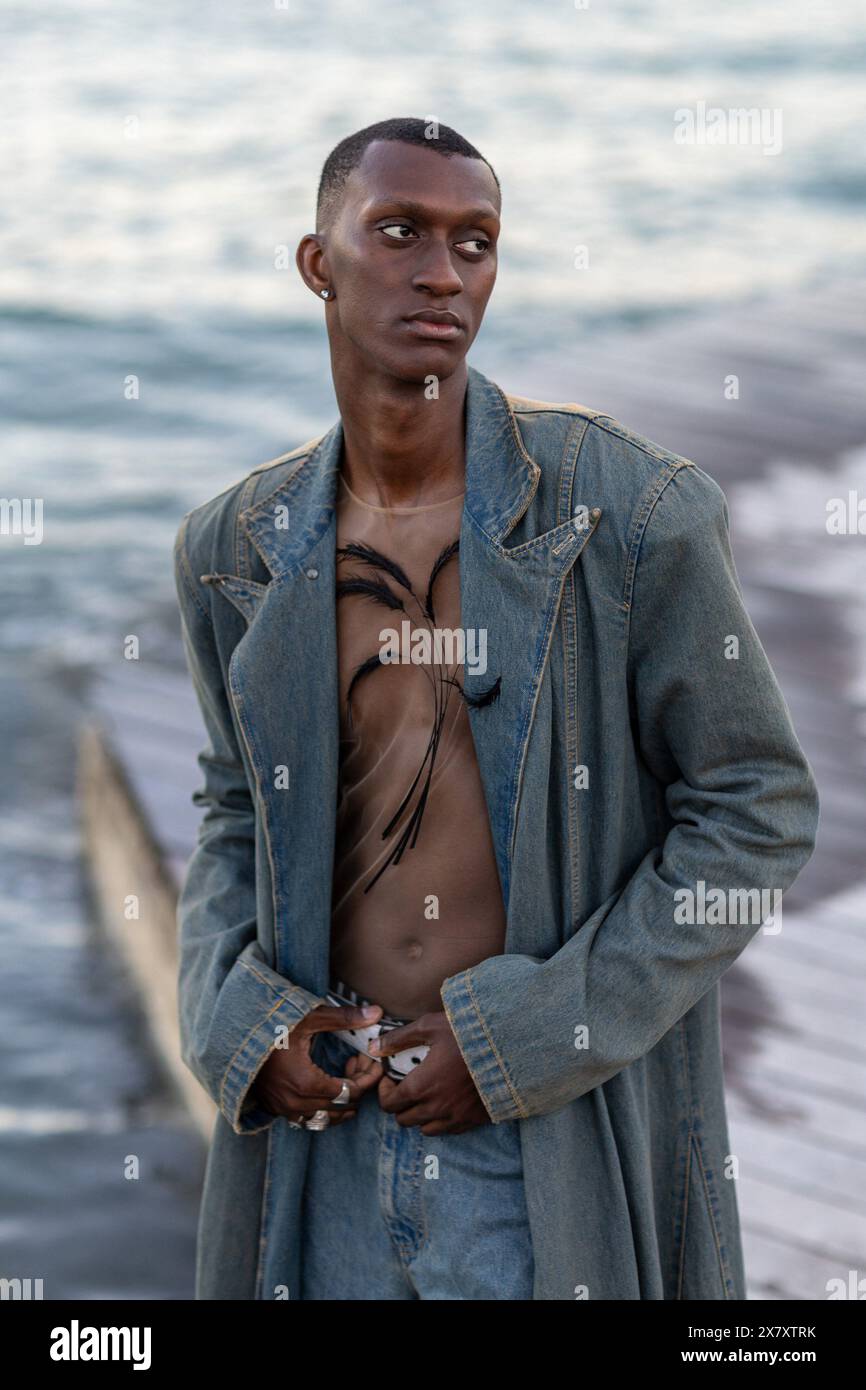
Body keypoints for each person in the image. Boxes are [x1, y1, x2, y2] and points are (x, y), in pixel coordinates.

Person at [172, 117, 819, 1300]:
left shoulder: (629, 513)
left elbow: (754, 810)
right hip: (328, 1142)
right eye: (400, 231)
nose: (441, 273)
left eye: (475, 243)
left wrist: (530, 1038)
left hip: (541, 1145)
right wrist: (238, 1025)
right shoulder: (234, 548)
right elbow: (231, 812)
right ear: (317, 261)